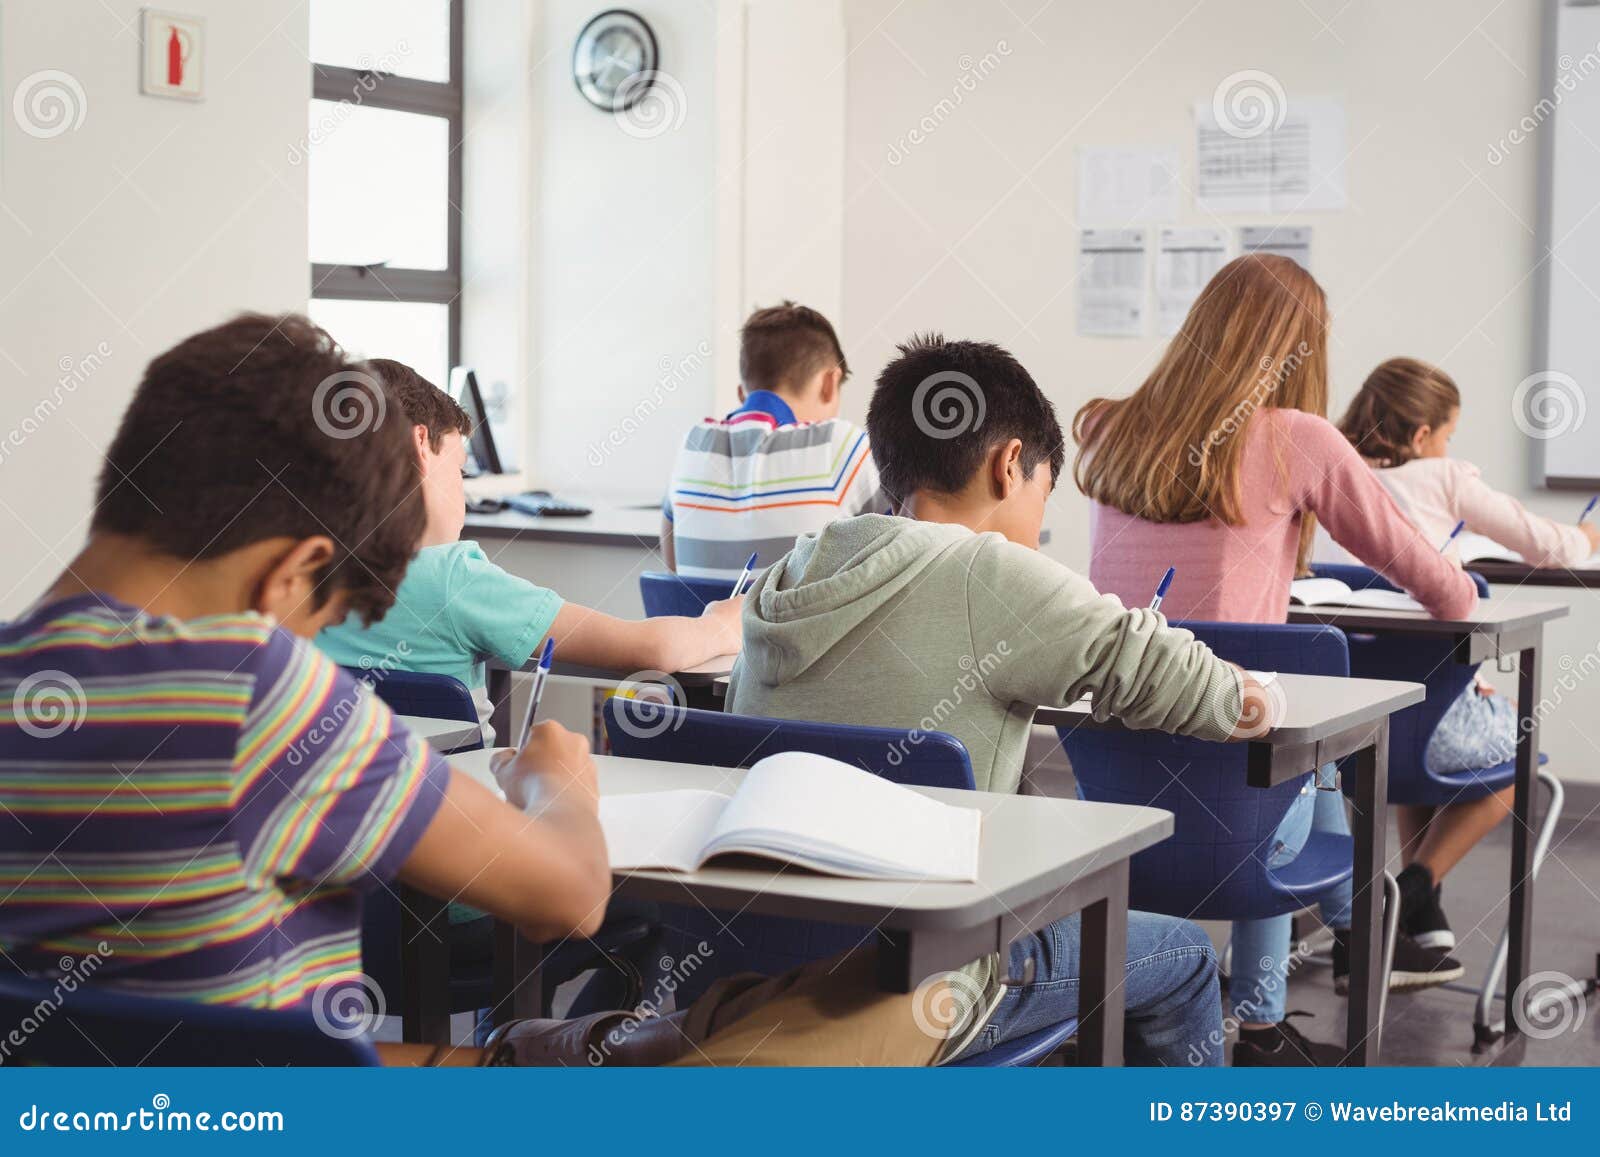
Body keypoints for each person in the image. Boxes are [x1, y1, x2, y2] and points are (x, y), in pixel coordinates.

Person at [0, 313, 943, 1068]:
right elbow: (567, 896)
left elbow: (160, 1055)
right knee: (875, 1005)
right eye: (321, 620)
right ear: (287, 572)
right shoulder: (255, 694)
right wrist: (559, 779)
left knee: (669, 1032)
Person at [728, 333, 1259, 1066]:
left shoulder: (790, 571)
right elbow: (1192, 688)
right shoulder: (990, 570)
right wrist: (1261, 692)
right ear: (1011, 464)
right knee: (1187, 953)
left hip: (757, 959)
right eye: (1045, 491)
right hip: (933, 979)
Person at [1073, 254, 1476, 1065]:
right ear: (1298, 351)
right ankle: (1296, 992)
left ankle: (1281, 981)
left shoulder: (1107, 425)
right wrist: (1463, 586)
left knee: (1299, 762)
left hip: (1110, 790)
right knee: (1302, 758)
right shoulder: (1298, 438)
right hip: (1239, 800)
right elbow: (1440, 586)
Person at [318, 359, 741, 743]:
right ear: (420, 447)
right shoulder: (453, 580)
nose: (462, 488)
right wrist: (722, 624)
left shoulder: (303, 579)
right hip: (458, 797)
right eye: (459, 469)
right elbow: (650, 650)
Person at [1332, 355, 1596, 948]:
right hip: (1424, 730)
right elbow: (1549, 546)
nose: (1450, 447)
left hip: (1341, 734)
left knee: (1423, 719)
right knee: (1517, 754)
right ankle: (1418, 883)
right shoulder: (1443, 478)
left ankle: (1416, 918)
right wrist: (1586, 537)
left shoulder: (1334, 472)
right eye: (1449, 434)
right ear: (1424, 435)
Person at [661, 302, 886, 580]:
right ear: (830, 382)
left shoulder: (692, 445)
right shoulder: (840, 444)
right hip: (799, 624)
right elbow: (909, 545)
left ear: (742, 393)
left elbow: (673, 571)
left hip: (700, 621)